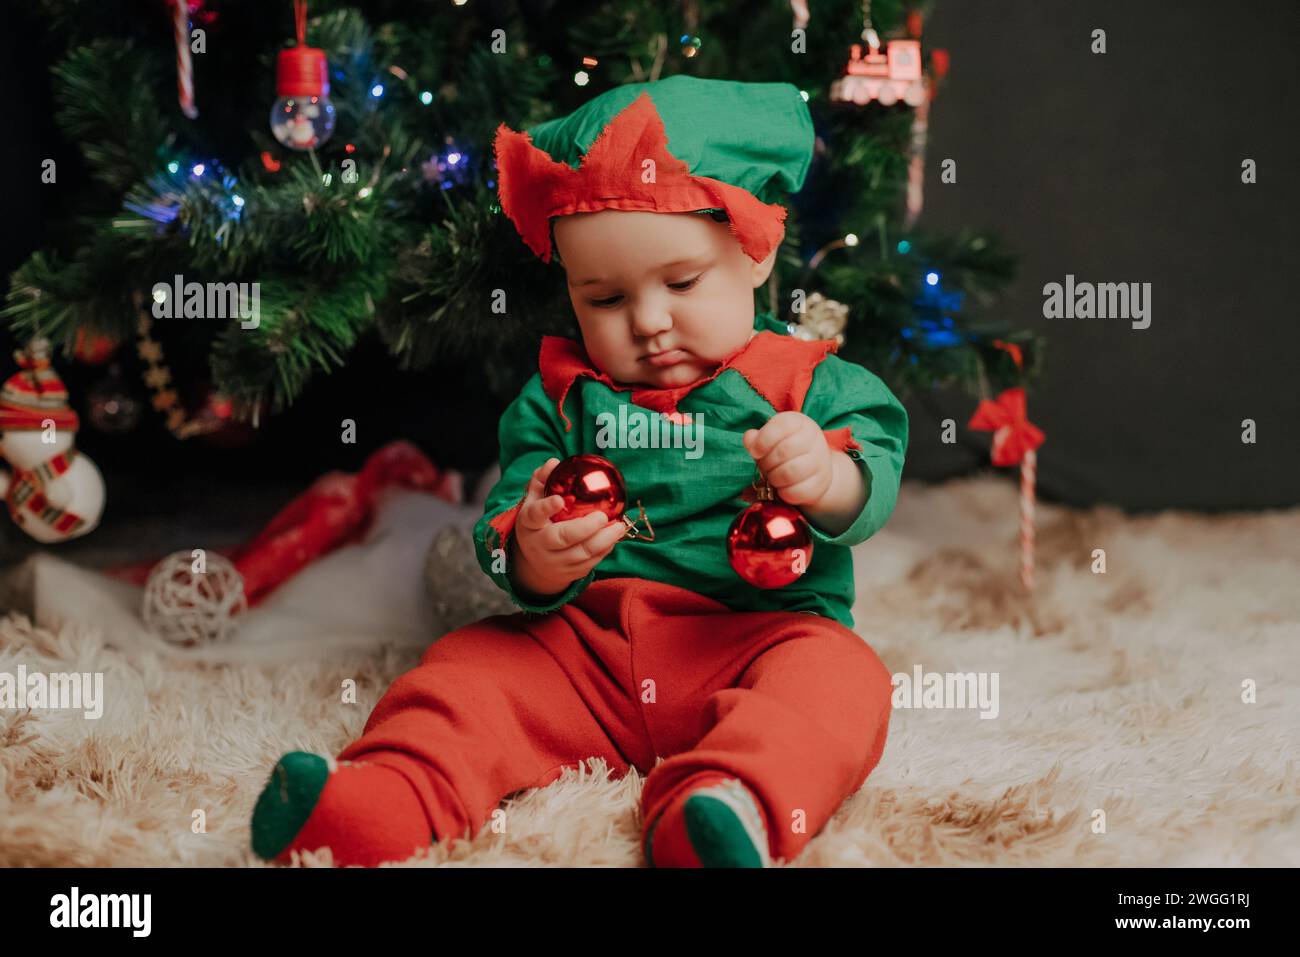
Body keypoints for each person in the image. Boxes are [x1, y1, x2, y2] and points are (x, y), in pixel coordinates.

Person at [250, 75, 908, 868]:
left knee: (842, 679)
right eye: (604, 298)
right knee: (469, 669)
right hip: (584, 652)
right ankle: (388, 795)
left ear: (755, 251)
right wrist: (532, 546)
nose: (649, 320)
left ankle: (730, 802)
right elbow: (507, 516)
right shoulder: (562, 398)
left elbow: (872, 473)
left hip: (752, 638)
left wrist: (826, 478)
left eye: (683, 282)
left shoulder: (809, 381)